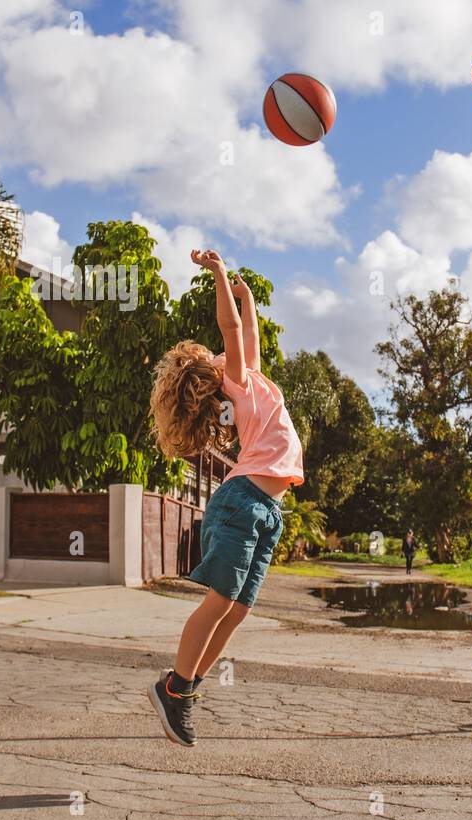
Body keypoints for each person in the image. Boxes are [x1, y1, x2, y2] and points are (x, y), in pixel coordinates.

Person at [145, 249, 304, 747]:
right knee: (220, 601)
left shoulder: (252, 383)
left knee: (238, 609)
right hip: (243, 502)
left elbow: (247, 335)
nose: (229, 354)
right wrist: (217, 275)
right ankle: (176, 688)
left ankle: (182, 687)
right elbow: (233, 333)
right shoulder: (235, 384)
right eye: (218, 359)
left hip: (266, 510)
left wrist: (248, 298)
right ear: (215, 377)